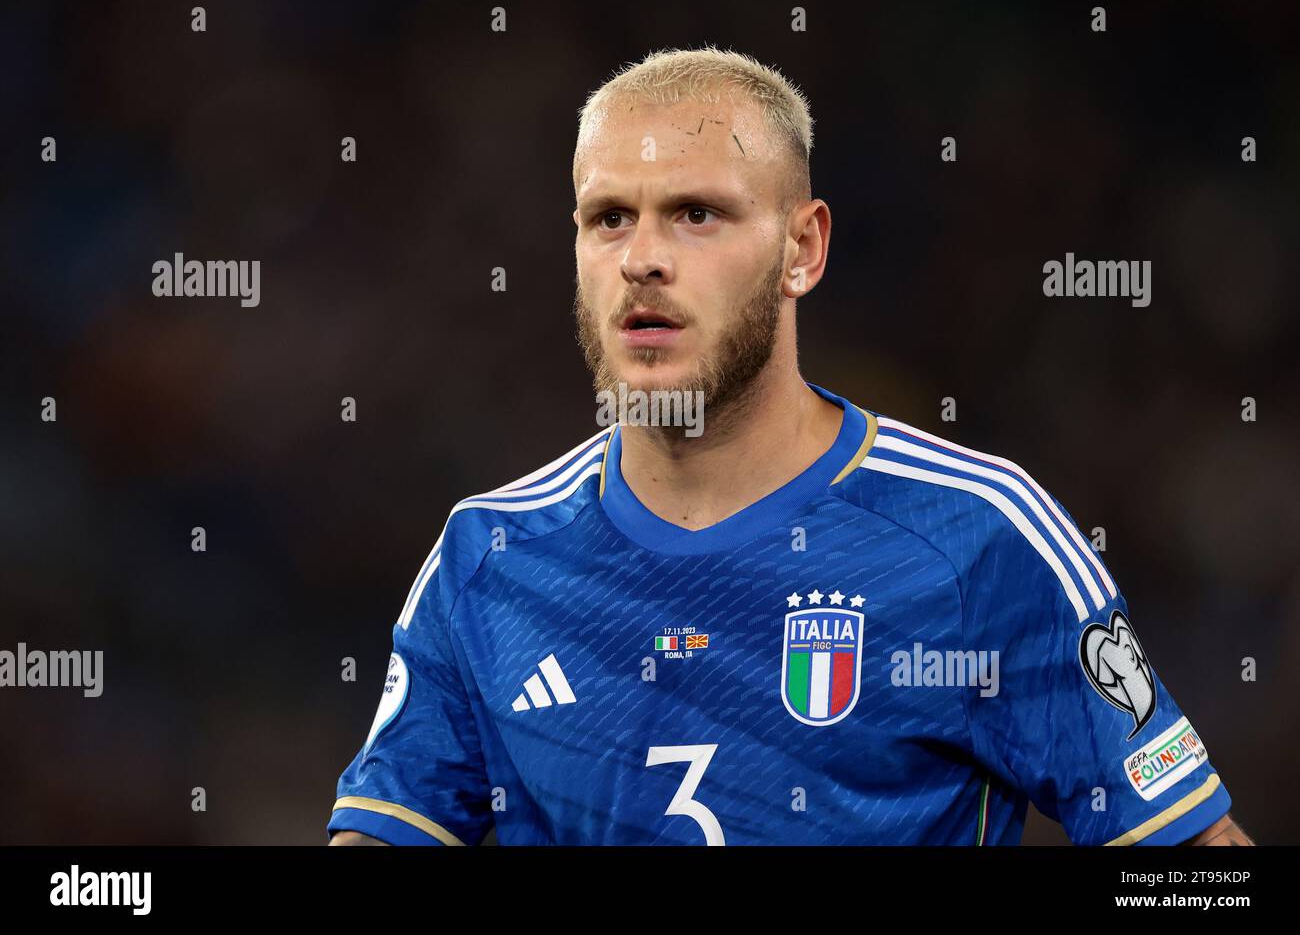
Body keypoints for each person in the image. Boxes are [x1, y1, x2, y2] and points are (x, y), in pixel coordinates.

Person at [328, 46, 1249, 846]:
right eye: (609, 217)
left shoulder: (979, 539)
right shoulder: (487, 559)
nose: (642, 256)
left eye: (697, 213)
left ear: (802, 250)